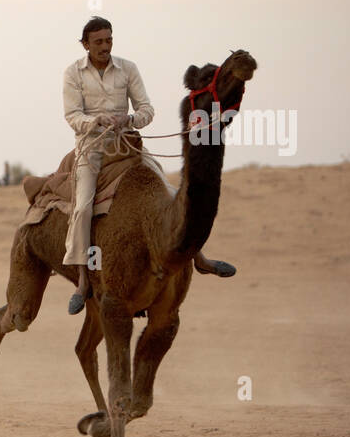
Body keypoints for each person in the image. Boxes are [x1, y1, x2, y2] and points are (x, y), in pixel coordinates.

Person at [63, 18, 235, 315]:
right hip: (91, 149)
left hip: (127, 144)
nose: (105, 46)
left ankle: (199, 257)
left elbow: (146, 109)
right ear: (85, 45)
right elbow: (72, 115)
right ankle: (81, 279)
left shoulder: (127, 68)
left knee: (169, 194)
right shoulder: (72, 74)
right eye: (99, 42)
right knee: (82, 206)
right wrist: (96, 121)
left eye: (109, 40)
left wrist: (128, 120)